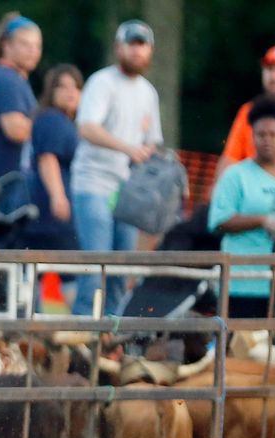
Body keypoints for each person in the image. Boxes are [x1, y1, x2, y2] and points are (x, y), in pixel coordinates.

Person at [69, 19, 163, 317]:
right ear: (118, 48)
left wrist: (149, 156)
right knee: (96, 265)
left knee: (121, 270)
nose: (136, 51)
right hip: (93, 183)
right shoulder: (102, 82)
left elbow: (152, 141)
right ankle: (81, 331)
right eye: (131, 44)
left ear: (150, 51)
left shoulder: (148, 92)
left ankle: (113, 333)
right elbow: (87, 128)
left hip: (128, 191)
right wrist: (128, 148)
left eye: (142, 45)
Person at [208, 97, 275, 319]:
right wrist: (262, 221)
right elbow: (218, 221)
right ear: (252, 136)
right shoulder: (236, 175)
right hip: (243, 283)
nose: (267, 141)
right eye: (261, 135)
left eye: (273, 134)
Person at [0, 12, 41, 213]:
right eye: (25, 44)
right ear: (6, 45)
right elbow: (15, 130)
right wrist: (48, 126)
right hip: (2, 180)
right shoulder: (9, 80)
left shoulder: (2, 74)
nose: (33, 51)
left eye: (37, 46)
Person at [23, 64, 84, 252]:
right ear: (51, 91)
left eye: (75, 87)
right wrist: (58, 196)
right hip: (51, 210)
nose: (70, 92)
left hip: (52, 208)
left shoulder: (66, 122)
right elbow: (47, 158)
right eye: (62, 86)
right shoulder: (52, 119)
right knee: (66, 263)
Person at [217, 46, 275, 181]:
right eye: (269, 69)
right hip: (253, 188)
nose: (273, 77)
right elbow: (230, 160)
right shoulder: (248, 112)